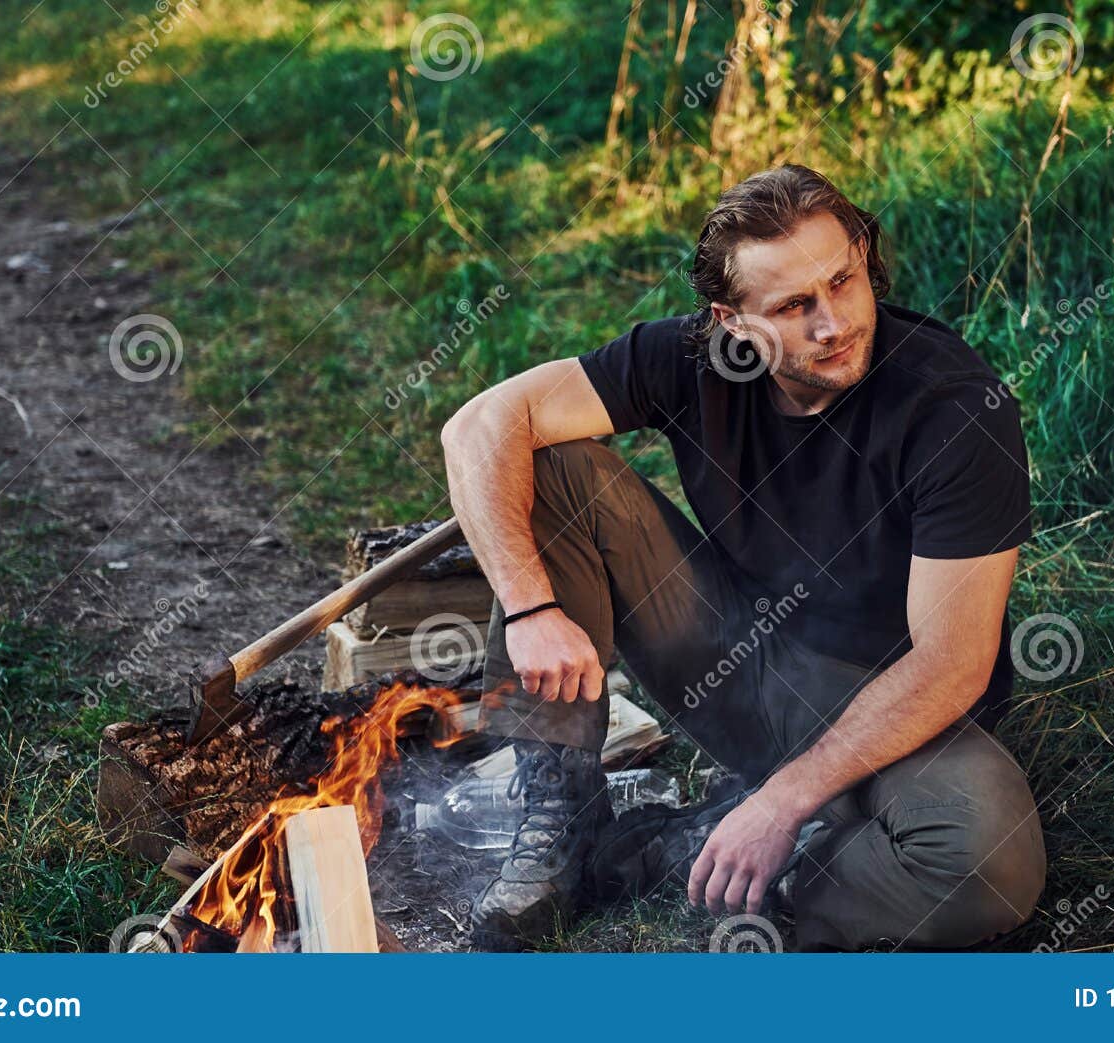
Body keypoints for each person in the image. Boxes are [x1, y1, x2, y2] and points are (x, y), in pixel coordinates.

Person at [440, 164, 1046, 952]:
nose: (832, 324)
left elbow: (953, 664)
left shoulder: (954, 409)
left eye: (843, 281)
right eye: (795, 306)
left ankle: (708, 854)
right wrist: (530, 604)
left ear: (865, 260)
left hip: (900, 714)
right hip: (738, 660)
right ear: (732, 322)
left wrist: (782, 801)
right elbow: (479, 424)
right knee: (557, 466)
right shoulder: (693, 360)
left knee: (990, 862)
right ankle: (563, 824)